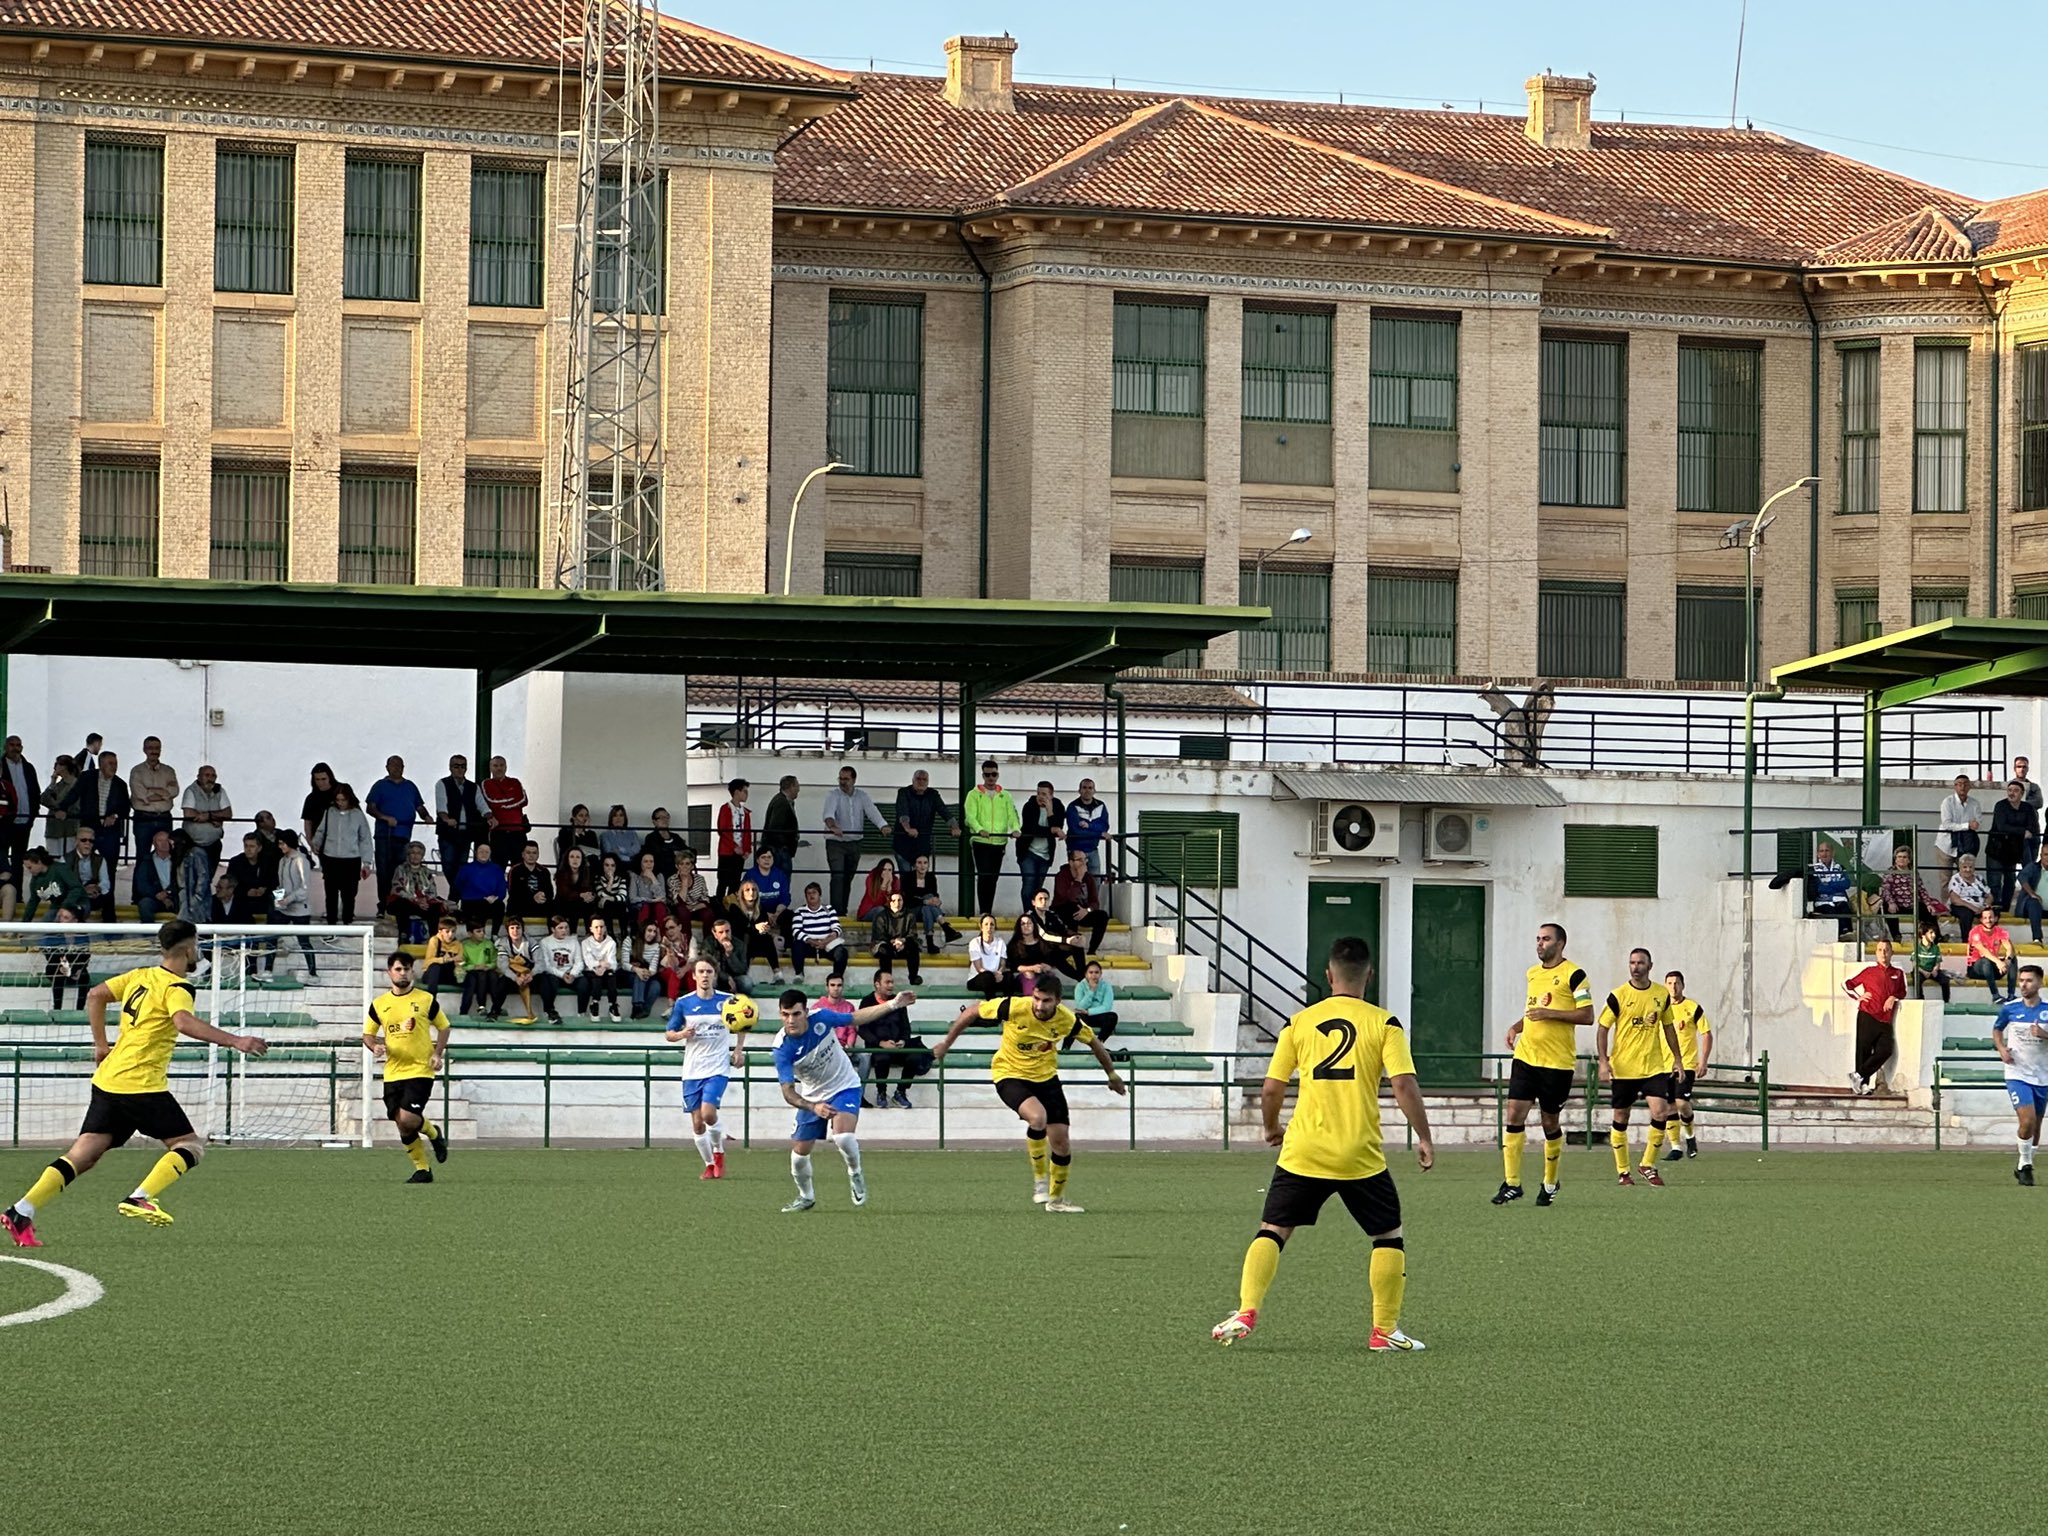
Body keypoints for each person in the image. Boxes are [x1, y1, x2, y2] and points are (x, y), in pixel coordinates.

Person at [1210, 934, 1433, 1350]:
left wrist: (1271, 1128)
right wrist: (1424, 1135)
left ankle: (1246, 1309)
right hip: (1358, 1153)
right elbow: (1403, 1084)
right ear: (1369, 976)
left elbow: (1272, 1088)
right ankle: (1384, 1331)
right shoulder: (1384, 1023)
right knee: (1388, 1235)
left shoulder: (1298, 1022)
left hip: (1304, 1149)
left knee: (1273, 1230)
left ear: (1329, 976)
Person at [3, 919, 269, 1248]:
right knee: (189, 1145)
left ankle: (21, 1210)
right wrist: (236, 1040)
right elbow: (183, 1022)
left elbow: (96, 995)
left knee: (84, 1154)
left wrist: (101, 1046)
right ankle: (140, 1197)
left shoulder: (140, 976)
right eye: (197, 944)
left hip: (109, 1080)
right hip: (141, 1084)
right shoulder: (178, 987)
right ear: (188, 949)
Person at [934, 974, 1125, 1213]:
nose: (1039, 1005)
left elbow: (1095, 1043)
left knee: (1062, 1143)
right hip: (1009, 1074)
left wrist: (1112, 1075)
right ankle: (1040, 1182)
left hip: (1046, 1079)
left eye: (1046, 1001)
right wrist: (946, 1043)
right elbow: (972, 1012)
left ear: (1058, 1001)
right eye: (1036, 998)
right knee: (1038, 1117)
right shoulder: (1013, 1006)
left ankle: (1056, 1201)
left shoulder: (1067, 1020)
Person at [1493, 922, 1594, 1207]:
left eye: (1546, 939)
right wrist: (1516, 1027)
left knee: (1549, 1121)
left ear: (1560, 943)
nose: (1540, 943)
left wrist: (1550, 1013)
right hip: (1527, 1058)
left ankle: (1550, 1182)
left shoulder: (1575, 975)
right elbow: (1532, 1013)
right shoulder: (1533, 973)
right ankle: (1512, 1183)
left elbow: (1587, 1015)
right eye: (1538, 938)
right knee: (1514, 1114)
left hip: (1557, 1063)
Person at [772, 985, 878, 1212]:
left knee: (843, 1137)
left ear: (806, 1012)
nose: (790, 1020)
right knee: (798, 1155)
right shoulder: (782, 1048)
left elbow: (855, 1017)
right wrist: (813, 1107)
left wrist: (893, 1004)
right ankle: (806, 1197)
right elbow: (788, 1093)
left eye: (796, 1014)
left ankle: (855, 1173)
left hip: (844, 1085)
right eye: (785, 1014)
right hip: (813, 1096)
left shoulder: (821, 1018)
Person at [1596, 948, 1683, 1187]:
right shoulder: (1618, 995)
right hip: (1624, 1068)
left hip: (1653, 1066)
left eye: (1640, 963)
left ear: (1650, 966)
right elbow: (1602, 1028)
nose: (1636, 967)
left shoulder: (1661, 994)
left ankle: (1647, 1164)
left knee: (1660, 1112)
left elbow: (1668, 1027)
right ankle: (1623, 1171)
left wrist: (1677, 1059)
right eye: (1632, 963)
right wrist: (1603, 1061)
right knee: (1621, 1116)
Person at [362, 952, 450, 1185]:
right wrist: (375, 1046)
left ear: (413, 972)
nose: (403, 973)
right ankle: (423, 1169)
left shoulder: (426, 999)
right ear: (389, 972)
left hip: (420, 1070)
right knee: (401, 1122)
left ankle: (433, 1134)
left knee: (409, 1118)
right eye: (398, 969)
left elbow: (444, 1027)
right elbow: (368, 1034)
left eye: (407, 969)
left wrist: (437, 1053)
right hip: (393, 1072)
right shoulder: (379, 1004)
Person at [665, 959, 751, 1179]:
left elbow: (743, 1023)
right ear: (694, 975)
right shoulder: (684, 1003)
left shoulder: (727, 1001)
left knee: (708, 1113)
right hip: (692, 1070)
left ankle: (719, 1151)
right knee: (697, 1124)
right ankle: (709, 1164)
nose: (705, 975)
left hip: (717, 1067)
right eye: (701, 971)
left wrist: (738, 1050)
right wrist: (682, 1034)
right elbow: (669, 1034)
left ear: (714, 974)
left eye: (709, 971)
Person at [1992, 964, 2048, 1186]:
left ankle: (2025, 1164)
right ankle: (2025, 1164)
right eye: (2021, 980)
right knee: (2027, 1120)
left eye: (2029, 980)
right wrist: (2001, 1048)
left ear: (2040, 983)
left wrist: (2044, 1034)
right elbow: (1997, 1029)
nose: (2023, 985)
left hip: (2042, 1074)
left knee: (2036, 1125)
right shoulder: (2010, 1008)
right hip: (2017, 1072)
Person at [822, 764, 889, 917]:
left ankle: (843, 911)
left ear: (854, 780)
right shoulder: (833, 795)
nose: (842, 782)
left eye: (846, 779)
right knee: (838, 876)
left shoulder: (862, 796)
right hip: (836, 842)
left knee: (848, 878)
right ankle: (836, 913)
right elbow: (828, 814)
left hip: (855, 842)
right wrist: (833, 826)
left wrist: (883, 825)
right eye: (840, 778)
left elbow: (872, 812)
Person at [1844, 937, 1906, 1096]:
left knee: (1886, 1050)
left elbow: (1902, 991)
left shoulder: (1898, 973)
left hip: (1885, 1019)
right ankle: (1863, 1084)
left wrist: (1893, 997)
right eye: (1880, 950)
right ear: (1876, 953)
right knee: (1863, 1050)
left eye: (1886, 950)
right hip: (1867, 1014)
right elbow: (1847, 984)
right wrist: (1858, 996)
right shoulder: (1869, 972)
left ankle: (1858, 1075)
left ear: (1891, 952)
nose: (1883, 953)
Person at [1662, 971, 1711, 1161]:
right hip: (1663, 1065)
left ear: (1683, 985)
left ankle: (1690, 1136)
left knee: (1681, 1103)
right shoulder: (1661, 1008)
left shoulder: (1692, 1007)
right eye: (1669, 983)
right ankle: (1676, 1147)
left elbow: (1706, 1034)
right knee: (1668, 1106)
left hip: (1686, 1064)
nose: (1673, 987)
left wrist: (1703, 1061)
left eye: (1676, 983)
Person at [964, 760, 1019, 916]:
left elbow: (1012, 815)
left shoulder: (1005, 795)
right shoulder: (973, 794)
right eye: (987, 774)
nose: (990, 778)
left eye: (993, 774)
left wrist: (1016, 829)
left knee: (993, 878)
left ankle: (988, 910)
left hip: (999, 842)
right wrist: (979, 829)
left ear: (997, 775)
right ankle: (984, 911)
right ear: (982, 775)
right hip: (980, 841)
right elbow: (970, 816)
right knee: (984, 876)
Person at [314, 784, 374, 924]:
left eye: (343, 800)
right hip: (331, 858)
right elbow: (321, 830)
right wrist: (316, 843)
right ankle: (331, 922)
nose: (340, 803)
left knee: (349, 895)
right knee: (331, 894)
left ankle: (347, 921)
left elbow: (365, 839)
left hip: (351, 860)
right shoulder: (329, 812)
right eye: (338, 800)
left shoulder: (358, 815)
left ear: (349, 799)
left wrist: (367, 862)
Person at [179, 763, 231, 921]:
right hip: (195, 845)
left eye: (213, 776)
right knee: (197, 882)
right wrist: (216, 817)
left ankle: (204, 914)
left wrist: (208, 816)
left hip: (214, 844)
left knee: (206, 881)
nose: (211, 779)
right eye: (207, 775)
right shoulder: (191, 791)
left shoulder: (220, 791)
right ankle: (195, 915)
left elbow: (228, 813)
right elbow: (189, 813)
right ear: (199, 777)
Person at [269, 829, 319, 978]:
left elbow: (304, 888)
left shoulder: (301, 861)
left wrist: (289, 898)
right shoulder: (282, 861)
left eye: (282, 844)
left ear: (290, 843)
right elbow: (281, 883)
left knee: (304, 942)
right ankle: (267, 970)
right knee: (272, 938)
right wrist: (279, 898)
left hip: (300, 909)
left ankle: (313, 973)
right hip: (284, 908)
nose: (280, 847)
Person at [892, 768, 958, 871]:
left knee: (922, 877)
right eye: (918, 779)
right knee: (906, 878)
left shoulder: (933, 794)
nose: (921, 782)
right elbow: (903, 812)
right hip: (903, 844)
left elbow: (944, 811)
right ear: (913, 780)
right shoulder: (903, 792)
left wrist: (955, 827)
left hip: (923, 844)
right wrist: (908, 828)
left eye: (924, 779)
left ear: (928, 781)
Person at [72, 749, 130, 867]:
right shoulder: (87, 777)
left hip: (110, 831)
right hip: (89, 828)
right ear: (101, 764)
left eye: (115, 763)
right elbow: (73, 795)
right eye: (110, 763)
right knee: (82, 864)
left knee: (110, 866)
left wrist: (115, 816)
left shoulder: (120, 784)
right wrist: (61, 809)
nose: (114, 767)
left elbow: (126, 807)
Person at [434, 754, 487, 882]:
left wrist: (489, 816)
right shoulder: (442, 784)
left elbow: (482, 805)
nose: (460, 769)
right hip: (448, 833)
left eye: (463, 766)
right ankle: (456, 890)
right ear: (450, 767)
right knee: (448, 865)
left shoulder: (473, 787)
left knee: (462, 866)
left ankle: (456, 891)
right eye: (456, 766)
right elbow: (441, 806)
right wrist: (446, 819)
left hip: (465, 833)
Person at [1988, 779, 2039, 911]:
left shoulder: (2027, 808)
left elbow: (2033, 827)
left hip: (2013, 851)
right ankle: (1994, 910)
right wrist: (2022, 831)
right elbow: (2002, 826)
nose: (2012, 793)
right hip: (1997, 849)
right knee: (1994, 881)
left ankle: (2005, 909)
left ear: (2022, 794)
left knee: (2010, 882)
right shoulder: (2000, 806)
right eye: (2009, 790)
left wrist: (2021, 831)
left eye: (2016, 791)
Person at [1876, 845, 1944, 941]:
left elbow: (1921, 890)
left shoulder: (1914, 873)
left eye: (1904, 857)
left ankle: (1936, 937)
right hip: (1897, 905)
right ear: (1895, 859)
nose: (1901, 859)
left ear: (1909, 860)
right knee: (1887, 908)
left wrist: (1928, 904)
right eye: (1899, 857)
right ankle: (1896, 936)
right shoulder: (1890, 873)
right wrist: (1891, 903)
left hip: (1912, 904)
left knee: (1928, 911)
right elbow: (1886, 890)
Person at [1051, 849, 1111, 954]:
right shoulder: (1061, 876)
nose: (1084, 863)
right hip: (1063, 910)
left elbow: (1095, 902)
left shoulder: (1089, 878)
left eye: (1085, 859)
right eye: (1080, 860)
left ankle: (1092, 951)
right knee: (1071, 907)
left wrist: (1087, 910)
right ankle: (1072, 948)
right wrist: (1078, 879)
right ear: (1071, 862)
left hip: (1083, 911)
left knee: (1102, 916)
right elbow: (1066, 898)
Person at [1016, 780, 1066, 904]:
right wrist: (1051, 830)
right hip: (1028, 851)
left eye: (1044, 794)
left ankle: (1037, 912)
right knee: (1028, 884)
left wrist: (1049, 811)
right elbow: (1030, 828)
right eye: (1038, 793)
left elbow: (1058, 826)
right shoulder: (1029, 806)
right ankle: (1028, 912)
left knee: (1038, 887)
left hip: (1046, 854)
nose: (1040, 797)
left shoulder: (1058, 806)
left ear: (1051, 795)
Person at [788, 883, 850, 980]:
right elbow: (796, 931)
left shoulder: (829, 909)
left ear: (819, 895)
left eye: (814, 892)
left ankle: (836, 979)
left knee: (842, 952)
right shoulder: (800, 911)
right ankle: (799, 975)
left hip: (827, 945)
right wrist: (812, 941)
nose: (811, 895)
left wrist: (825, 942)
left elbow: (837, 928)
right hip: (809, 945)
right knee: (797, 945)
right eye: (808, 893)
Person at [726, 878, 783, 983]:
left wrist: (763, 929)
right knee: (747, 939)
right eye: (747, 890)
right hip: (741, 943)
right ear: (742, 893)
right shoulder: (735, 908)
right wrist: (755, 927)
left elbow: (761, 929)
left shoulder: (761, 909)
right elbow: (738, 930)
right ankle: (743, 973)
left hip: (756, 943)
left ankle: (777, 973)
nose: (751, 892)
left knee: (766, 938)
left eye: (754, 889)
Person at [386, 842, 445, 943]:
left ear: (422, 856)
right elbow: (397, 888)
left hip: (422, 904)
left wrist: (425, 900)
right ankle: (404, 935)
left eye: (418, 853)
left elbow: (432, 890)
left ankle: (434, 939)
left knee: (435, 908)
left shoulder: (426, 871)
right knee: (401, 905)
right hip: (407, 902)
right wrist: (414, 899)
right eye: (412, 853)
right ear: (408, 855)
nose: (415, 856)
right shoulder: (401, 869)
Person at [128, 736, 178, 852]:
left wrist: (150, 791)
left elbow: (174, 791)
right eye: (150, 748)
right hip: (143, 818)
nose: (154, 751)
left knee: (165, 853)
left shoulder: (169, 771)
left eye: (157, 748)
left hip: (164, 818)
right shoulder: (137, 771)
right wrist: (163, 794)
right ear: (144, 750)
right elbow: (141, 794)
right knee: (143, 855)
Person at [2, 736, 40, 875]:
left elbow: (35, 792)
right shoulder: (1, 766)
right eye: (12, 745)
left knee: (19, 860)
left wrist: (33, 815)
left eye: (18, 745)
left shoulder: (28, 768)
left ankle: (16, 888)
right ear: (5, 747)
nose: (15, 748)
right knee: (2, 858)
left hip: (24, 822)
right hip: (5, 822)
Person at [869, 888, 924, 986]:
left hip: (903, 945)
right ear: (889, 902)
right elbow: (880, 935)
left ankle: (913, 977)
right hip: (887, 944)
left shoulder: (910, 915)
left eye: (899, 900)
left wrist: (902, 941)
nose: (897, 903)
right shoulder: (881, 916)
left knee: (913, 947)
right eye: (894, 900)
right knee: (883, 950)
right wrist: (893, 942)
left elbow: (912, 934)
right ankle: (887, 979)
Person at [482, 756, 530, 867]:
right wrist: (512, 801)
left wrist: (503, 805)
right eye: (495, 766)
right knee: (497, 866)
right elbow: (490, 801)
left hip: (518, 832)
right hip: (499, 832)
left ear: (506, 767)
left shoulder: (515, 782)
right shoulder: (486, 783)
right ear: (490, 768)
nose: (499, 768)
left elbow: (523, 800)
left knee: (519, 867)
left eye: (501, 765)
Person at [535, 917, 583, 1025]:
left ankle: (581, 1013)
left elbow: (579, 962)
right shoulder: (545, 942)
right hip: (554, 973)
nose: (564, 930)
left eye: (566, 927)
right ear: (553, 929)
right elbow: (546, 965)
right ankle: (549, 1011)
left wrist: (573, 974)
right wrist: (562, 975)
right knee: (550, 982)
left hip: (571, 974)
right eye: (560, 928)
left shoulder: (574, 941)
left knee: (584, 984)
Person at [904, 852, 957, 950]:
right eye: (919, 863)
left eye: (925, 863)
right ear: (914, 865)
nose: (922, 866)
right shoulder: (908, 877)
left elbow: (934, 894)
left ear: (928, 865)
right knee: (928, 900)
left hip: (927, 911)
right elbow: (908, 899)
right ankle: (945, 927)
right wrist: (925, 901)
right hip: (912, 911)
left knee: (927, 908)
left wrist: (936, 900)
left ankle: (930, 941)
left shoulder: (931, 877)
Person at [493, 917, 542, 1023]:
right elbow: (503, 966)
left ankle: (551, 1011)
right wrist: (515, 978)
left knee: (546, 980)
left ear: (522, 929)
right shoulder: (504, 944)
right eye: (512, 928)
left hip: (530, 975)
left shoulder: (531, 942)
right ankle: (494, 1012)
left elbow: (540, 962)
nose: (515, 931)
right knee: (502, 982)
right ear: (508, 930)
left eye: (518, 928)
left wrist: (532, 974)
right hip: (513, 976)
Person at [452, 840, 508, 933]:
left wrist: (496, 897)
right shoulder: (466, 868)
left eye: (487, 852)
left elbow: (502, 887)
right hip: (471, 902)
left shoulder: (497, 869)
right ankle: (476, 934)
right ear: (476, 853)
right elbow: (458, 886)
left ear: (490, 854)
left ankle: (494, 935)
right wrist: (482, 897)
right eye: (481, 851)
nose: (484, 854)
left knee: (500, 906)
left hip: (491, 902)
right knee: (480, 908)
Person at [21, 847, 87, 922]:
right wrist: (24, 923)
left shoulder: (60, 869)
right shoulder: (35, 881)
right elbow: (33, 903)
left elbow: (76, 888)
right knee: (45, 925)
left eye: (30, 867)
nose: (29, 871)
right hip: (57, 906)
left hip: (77, 902)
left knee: (65, 918)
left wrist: (65, 906)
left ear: (39, 862)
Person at [690, 915, 750, 995]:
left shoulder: (740, 945)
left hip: (735, 977)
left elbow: (742, 969)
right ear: (714, 933)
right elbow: (710, 967)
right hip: (716, 976)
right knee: (710, 980)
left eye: (727, 931)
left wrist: (730, 955)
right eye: (721, 932)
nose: (725, 935)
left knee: (746, 983)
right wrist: (727, 978)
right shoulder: (708, 944)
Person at [44, 908, 91, 1011]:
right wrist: (64, 966)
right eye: (61, 917)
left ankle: (80, 1009)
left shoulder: (82, 934)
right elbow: (49, 955)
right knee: (58, 975)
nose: (62, 920)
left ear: (75, 920)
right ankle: (57, 1009)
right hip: (56, 965)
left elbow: (86, 955)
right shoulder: (53, 932)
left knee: (85, 977)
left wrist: (78, 969)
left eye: (66, 918)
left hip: (75, 967)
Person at [1967, 906, 2017, 1002]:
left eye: (1990, 917)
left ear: (1996, 918)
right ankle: (1995, 995)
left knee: (2013, 959)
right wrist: (1999, 962)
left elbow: (2009, 947)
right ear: (1981, 919)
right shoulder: (1975, 932)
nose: (1988, 920)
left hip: (1993, 967)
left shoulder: (2000, 931)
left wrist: (2008, 960)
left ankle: (2011, 995)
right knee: (1985, 961)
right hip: (1975, 969)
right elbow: (1984, 951)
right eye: (1985, 918)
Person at [132, 826, 181, 923]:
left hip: (175, 897)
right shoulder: (146, 861)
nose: (164, 843)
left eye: (166, 840)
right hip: (155, 898)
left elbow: (183, 881)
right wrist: (157, 895)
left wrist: (168, 893)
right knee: (145, 905)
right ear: (154, 843)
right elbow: (142, 884)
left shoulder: (178, 859)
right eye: (160, 840)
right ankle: (149, 932)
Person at [714, 778, 753, 899]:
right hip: (727, 851)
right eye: (744, 791)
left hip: (740, 852)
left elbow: (748, 832)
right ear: (736, 792)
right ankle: (719, 904)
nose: (747, 794)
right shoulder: (726, 808)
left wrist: (747, 849)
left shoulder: (745, 812)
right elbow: (723, 830)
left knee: (735, 882)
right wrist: (734, 847)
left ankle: (731, 905)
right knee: (723, 881)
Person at [68, 826, 116, 922]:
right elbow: (65, 885)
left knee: (108, 897)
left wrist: (97, 888)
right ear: (76, 841)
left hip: (93, 893)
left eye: (91, 841)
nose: (87, 843)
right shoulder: (66, 859)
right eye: (83, 840)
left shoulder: (100, 860)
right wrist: (83, 890)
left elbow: (105, 882)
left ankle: (111, 928)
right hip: (75, 895)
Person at [1936, 774, 1981, 876]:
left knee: (1965, 876)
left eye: (1965, 784)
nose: (1962, 787)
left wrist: (1969, 825)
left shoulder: (1975, 803)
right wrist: (1967, 825)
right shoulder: (1947, 802)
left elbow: (1978, 824)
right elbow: (1947, 824)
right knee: (1945, 879)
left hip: (1965, 846)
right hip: (1945, 845)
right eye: (1959, 784)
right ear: (1955, 786)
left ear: (1969, 787)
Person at [579, 915, 622, 1020]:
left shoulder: (611, 942)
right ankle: (594, 1004)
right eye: (596, 927)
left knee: (611, 976)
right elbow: (589, 962)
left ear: (605, 928)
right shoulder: (585, 943)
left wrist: (602, 967)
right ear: (591, 929)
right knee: (596, 978)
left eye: (601, 927)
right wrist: (601, 964)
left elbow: (612, 962)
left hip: (606, 970)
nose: (599, 930)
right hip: (591, 970)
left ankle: (613, 1005)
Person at [1806, 840, 1854, 936]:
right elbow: (1818, 888)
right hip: (1822, 902)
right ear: (1818, 854)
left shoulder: (1840, 867)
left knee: (1844, 909)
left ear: (1833, 853)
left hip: (1840, 900)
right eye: (1821, 851)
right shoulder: (1813, 869)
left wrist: (1828, 884)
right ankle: (1837, 936)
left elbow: (1846, 884)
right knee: (1831, 912)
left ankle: (1846, 934)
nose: (1824, 854)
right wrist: (1837, 886)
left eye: (1827, 850)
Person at [1065, 777, 1109, 877]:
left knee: (1095, 881)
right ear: (1079, 790)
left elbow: (1104, 826)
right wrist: (1099, 833)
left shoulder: (1101, 806)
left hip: (1093, 849)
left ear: (1094, 791)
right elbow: (1076, 830)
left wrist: (1089, 825)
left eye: (1090, 788)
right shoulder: (1072, 807)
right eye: (1084, 788)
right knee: (1077, 879)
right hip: (1076, 850)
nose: (1087, 790)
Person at [508, 841, 556, 928]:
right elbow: (513, 892)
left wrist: (543, 895)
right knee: (513, 905)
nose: (531, 855)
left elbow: (550, 892)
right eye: (528, 853)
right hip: (521, 904)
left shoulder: (544, 871)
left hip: (539, 904)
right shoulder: (515, 870)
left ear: (538, 855)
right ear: (523, 854)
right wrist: (532, 897)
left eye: (534, 853)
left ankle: (552, 933)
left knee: (553, 906)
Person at [668, 850, 716, 937]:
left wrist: (693, 908)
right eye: (681, 864)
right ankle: (686, 940)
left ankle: (708, 941)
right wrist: (684, 881)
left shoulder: (700, 879)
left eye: (687, 864)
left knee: (708, 913)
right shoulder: (672, 880)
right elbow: (678, 901)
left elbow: (705, 900)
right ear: (677, 866)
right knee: (683, 912)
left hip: (696, 907)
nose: (684, 866)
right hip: (680, 909)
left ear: (692, 866)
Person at [761, 774, 802, 873]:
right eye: (797, 786)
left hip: (778, 849)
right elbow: (775, 827)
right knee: (782, 877)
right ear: (791, 787)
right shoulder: (782, 803)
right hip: (780, 850)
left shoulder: (781, 800)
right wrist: (785, 844)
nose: (798, 789)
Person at [457, 920, 498, 1017]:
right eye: (478, 931)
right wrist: (474, 967)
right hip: (471, 972)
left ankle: (496, 1006)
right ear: (470, 933)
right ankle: (481, 1006)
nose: (482, 933)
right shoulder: (464, 945)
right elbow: (461, 963)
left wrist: (488, 966)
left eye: (483, 931)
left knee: (493, 976)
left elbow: (494, 961)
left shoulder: (489, 944)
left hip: (487, 970)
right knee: (481, 975)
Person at [628, 921, 666, 1019]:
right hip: (631, 975)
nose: (652, 934)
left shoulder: (657, 947)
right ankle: (637, 1006)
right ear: (643, 930)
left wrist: (648, 972)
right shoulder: (632, 942)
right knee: (640, 976)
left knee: (656, 986)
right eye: (649, 930)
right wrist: (637, 969)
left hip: (649, 976)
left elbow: (654, 969)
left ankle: (644, 1011)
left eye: (654, 932)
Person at [1073, 959, 1118, 1042]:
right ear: (1086, 974)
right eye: (1091, 972)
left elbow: (1107, 1007)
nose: (1094, 975)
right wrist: (1091, 991)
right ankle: (1066, 1047)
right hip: (1084, 1017)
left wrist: (1089, 1011)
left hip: (1099, 1016)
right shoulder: (1080, 986)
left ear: (1100, 974)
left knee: (1112, 1017)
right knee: (1075, 1018)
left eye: (1096, 972)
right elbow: (1080, 1007)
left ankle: (1099, 1043)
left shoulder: (1106, 986)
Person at [555, 845, 598, 931]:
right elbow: (565, 892)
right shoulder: (561, 873)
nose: (575, 860)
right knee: (574, 905)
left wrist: (590, 896)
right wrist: (581, 895)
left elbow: (590, 889)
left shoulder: (587, 872)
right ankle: (572, 932)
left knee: (588, 905)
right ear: (567, 859)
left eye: (578, 857)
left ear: (582, 860)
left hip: (580, 903)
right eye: (572, 857)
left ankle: (590, 933)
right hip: (564, 903)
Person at [640, 807, 692, 879]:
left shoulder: (676, 837)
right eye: (661, 817)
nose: (664, 820)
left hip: (680, 872)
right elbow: (659, 856)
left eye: (666, 817)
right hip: (661, 874)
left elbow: (689, 852)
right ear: (654, 822)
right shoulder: (651, 838)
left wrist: (679, 854)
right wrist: (677, 853)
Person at [421, 913, 463, 999]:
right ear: (440, 932)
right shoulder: (434, 940)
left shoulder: (458, 944)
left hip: (448, 974)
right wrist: (443, 960)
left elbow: (461, 961)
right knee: (435, 966)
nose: (450, 934)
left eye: (453, 931)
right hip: (431, 975)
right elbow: (428, 962)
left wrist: (458, 963)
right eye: (447, 932)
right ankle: (432, 999)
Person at [967, 913, 1008, 999]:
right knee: (987, 977)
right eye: (986, 924)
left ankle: (1008, 1003)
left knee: (1009, 977)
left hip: (995, 977)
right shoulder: (975, 943)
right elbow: (979, 968)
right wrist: (993, 975)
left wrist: (999, 973)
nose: (989, 927)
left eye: (992, 924)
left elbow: (1003, 964)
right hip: (979, 978)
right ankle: (992, 1004)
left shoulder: (1000, 942)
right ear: (981, 927)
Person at [1948, 854, 1990, 936]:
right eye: (1965, 867)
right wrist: (1973, 908)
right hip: (1963, 905)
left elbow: (1989, 895)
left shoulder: (1979, 878)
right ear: (1960, 867)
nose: (1968, 869)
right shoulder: (1956, 879)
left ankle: (1990, 938)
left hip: (1980, 906)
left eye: (1970, 867)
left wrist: (1985, 906)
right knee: (1966, 914)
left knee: (1993, 913)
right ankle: (1967, 939)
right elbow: (1955, 899)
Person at [1910, 917, 1951, 1003]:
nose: (1934, 935)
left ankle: (1946, 1001)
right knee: (1917, 980)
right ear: (1923, 934)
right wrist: (1924, 972)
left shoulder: (1936, 948)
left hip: (1932, 970)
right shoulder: (1917, 947)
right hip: (1920, 971)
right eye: (1931, 933)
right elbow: (1914, 964)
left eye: (1934, 933)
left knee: (1945, 980)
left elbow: (1938, 962)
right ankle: (1920, 1000)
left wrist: (1935, 969)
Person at [300, 762, 342, 843]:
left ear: (330, 777)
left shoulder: (341, 791)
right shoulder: (311, 799)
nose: (321, 783)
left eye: (323, 779)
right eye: (317, 779)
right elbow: (308, 823)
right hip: (321, 841)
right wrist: (310, 841)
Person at [627, 850, 669, 932]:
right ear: (640, 863)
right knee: (645, 906)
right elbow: (632, 898)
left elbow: (662, 897)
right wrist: (651, 900)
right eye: (645, 861)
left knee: (660, 906)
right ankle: (642, 935)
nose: (649, 864)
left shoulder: (659, 876)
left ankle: (661, 935)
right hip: (641, 907)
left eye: (651, 861)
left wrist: (653, 879)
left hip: (656, 907)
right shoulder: (635, 877)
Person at [2017, 756, 2046, 863]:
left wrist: (2020, 802)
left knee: (2031, 863)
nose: (2021, 769)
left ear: (2028, 768)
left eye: (2024, 767)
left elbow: (2039, 802)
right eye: (2019, 766)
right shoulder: (2009, 786)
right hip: (2016, 829)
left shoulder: (2034, 787)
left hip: (2032, 827)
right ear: (2014, 768)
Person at [856, 857, 899, 922]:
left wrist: (889, 890)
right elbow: (875, 902)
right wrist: (883, 886)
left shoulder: (895, 881)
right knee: (881, 910)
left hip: (887, 913)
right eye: (884, 869)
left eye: (890, 870)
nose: (887, 873)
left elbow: (895, 904)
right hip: (868, 911)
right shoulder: (872, 878)